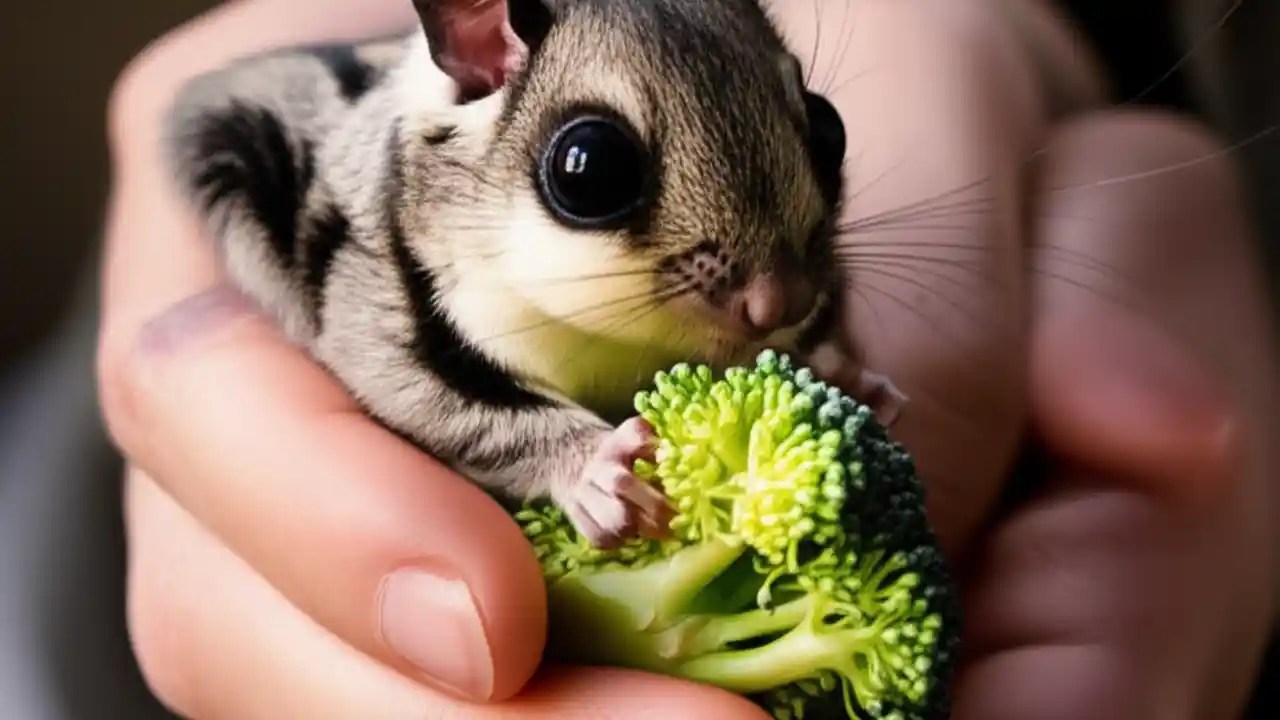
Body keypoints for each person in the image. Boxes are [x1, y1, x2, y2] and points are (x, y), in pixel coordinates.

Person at [2, 0, 1276, 717]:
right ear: (476, 53)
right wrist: (551, 451)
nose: (770, 295)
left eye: (814, 139)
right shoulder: (413, 245)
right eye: (597, 175)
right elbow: (368, 359)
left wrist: (1052, 57)